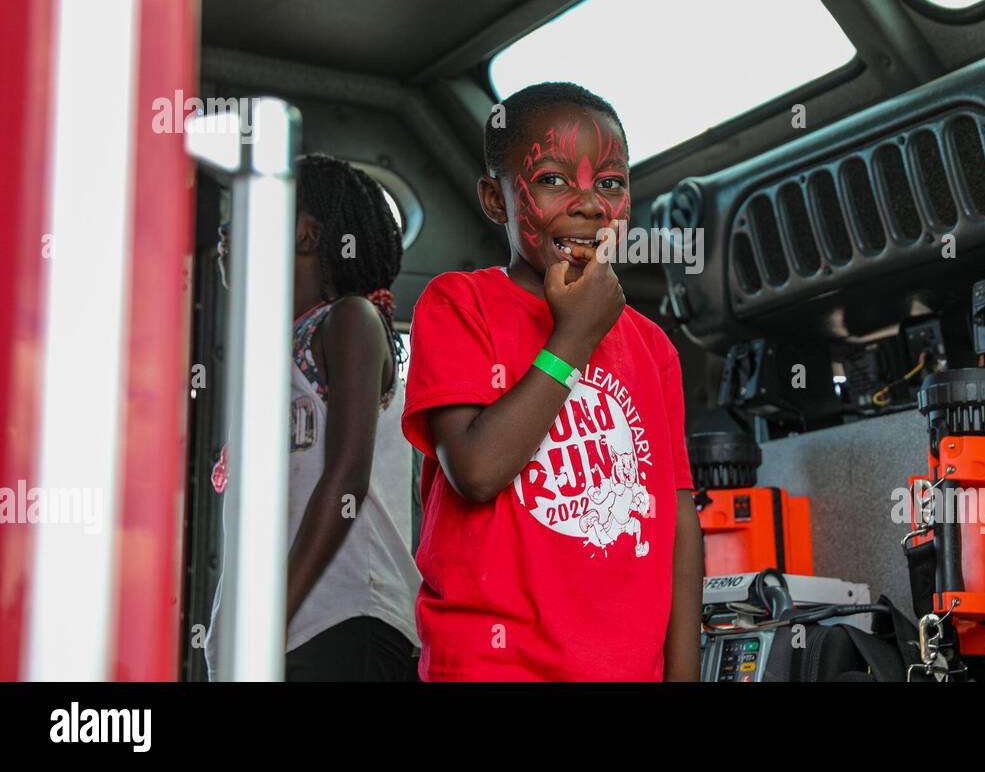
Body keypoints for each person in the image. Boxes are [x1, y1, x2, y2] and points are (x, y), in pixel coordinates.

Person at [402, 82, 703, 681]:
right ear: (496, 198)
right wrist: (573, 338)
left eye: (610, 183)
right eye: (553, 180)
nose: (590, 204)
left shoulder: (653, 348)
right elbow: (477, 471)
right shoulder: (459, 304)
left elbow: (678, 520)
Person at [206, 154, 421, 681]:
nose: (226, 229)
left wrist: (266, 617)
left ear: (305, 235)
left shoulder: (351, 320)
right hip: (277, 635)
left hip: (347, 621)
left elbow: (344, 476)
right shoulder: (271, 356)